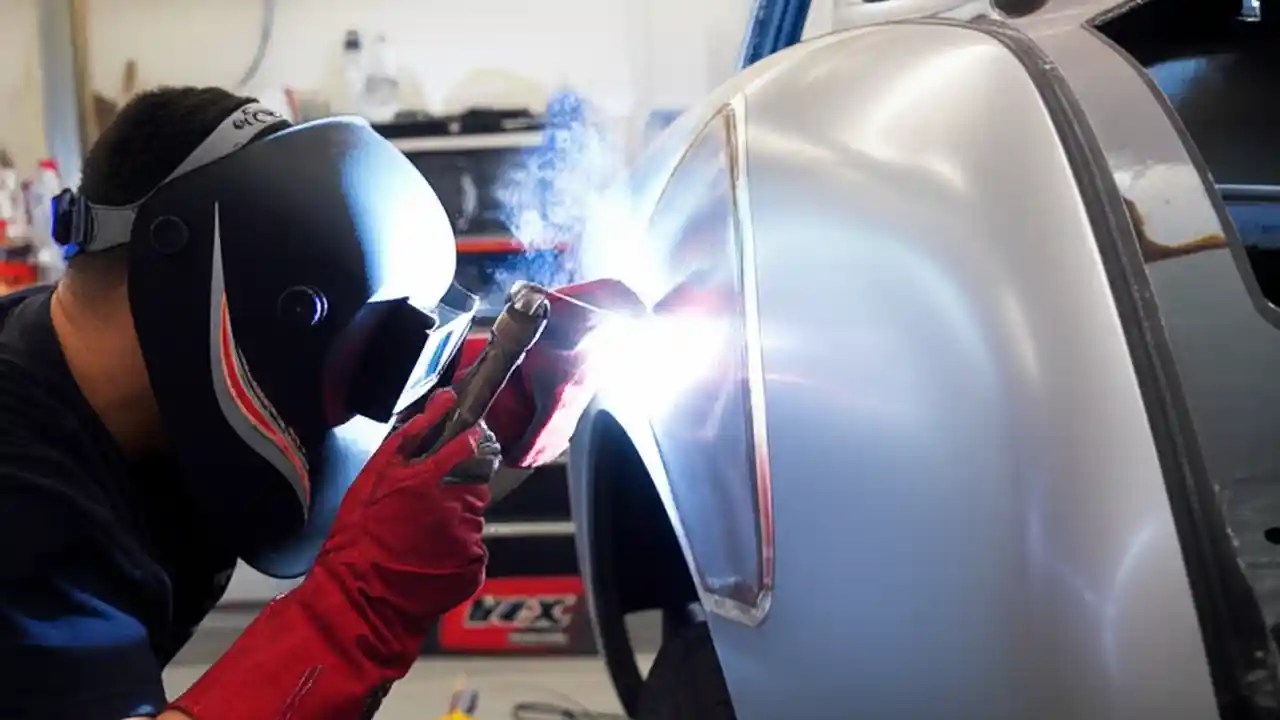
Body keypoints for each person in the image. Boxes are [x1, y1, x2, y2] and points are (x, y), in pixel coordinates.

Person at [0, 87, 642, 720]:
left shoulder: (122, 397)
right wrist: (362, 609)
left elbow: (355, 489)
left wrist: (489, 407)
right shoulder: (22, 504)